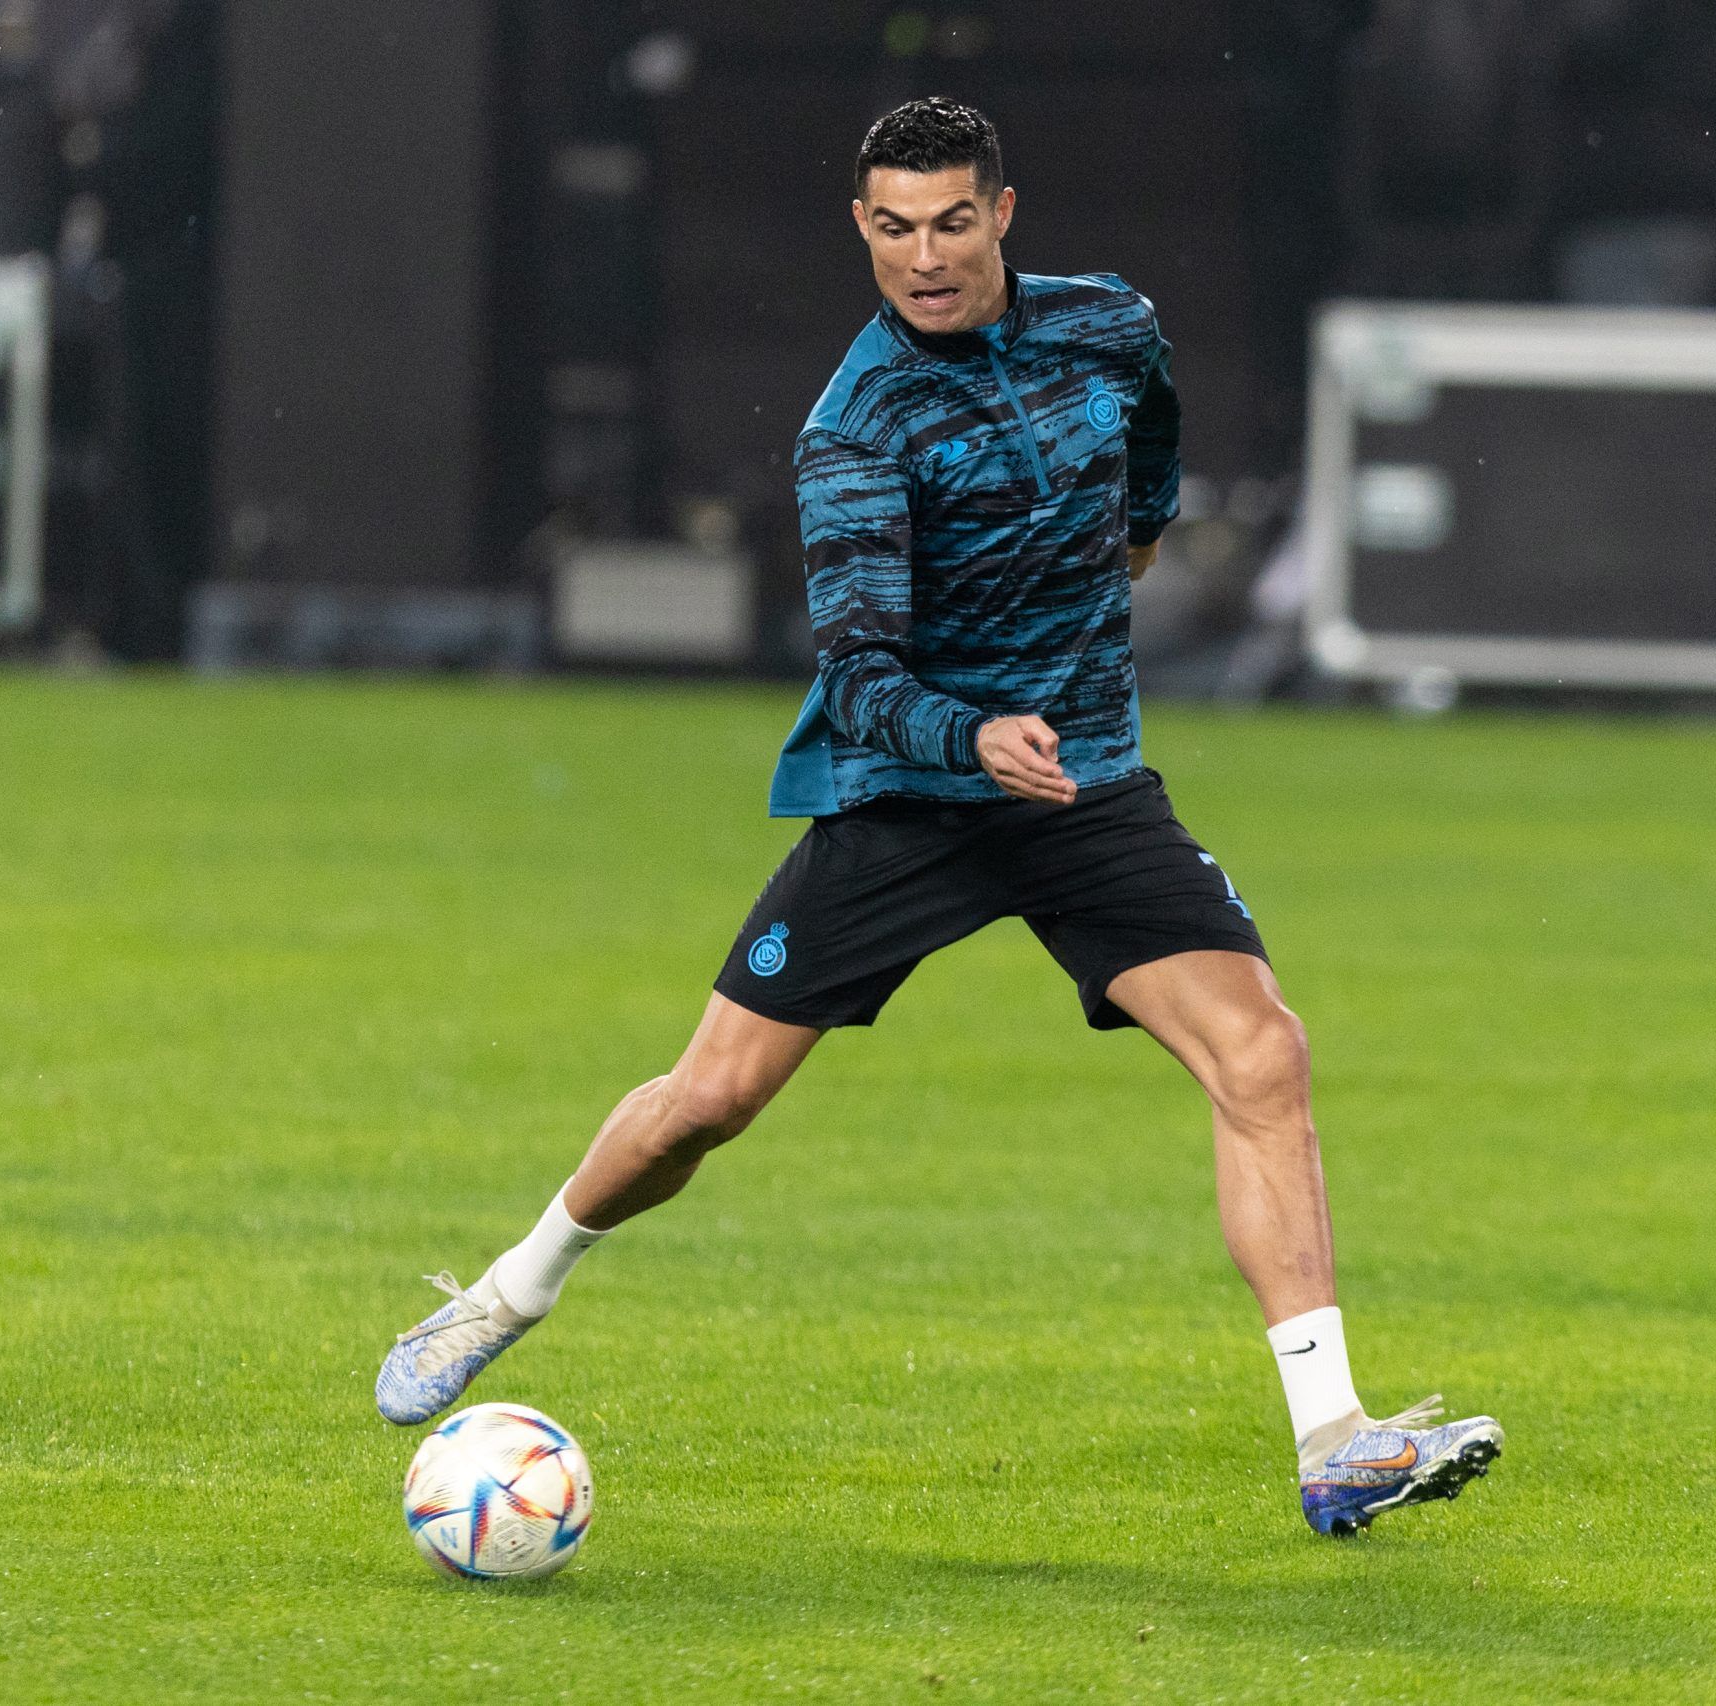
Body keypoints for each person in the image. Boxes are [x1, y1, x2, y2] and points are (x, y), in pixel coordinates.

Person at [375, 96, 1500, 1536]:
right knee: (708, 1101)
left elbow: (1151, 423)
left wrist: (1139, 527)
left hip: (1083, 784)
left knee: (1262, 1050)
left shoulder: (1105, 322)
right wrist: (973, 732)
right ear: (862, 228)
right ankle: (509, 1287)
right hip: (911, 798)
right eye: (894, 228)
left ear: (1003, 215)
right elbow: (856, 674)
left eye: (952, 221)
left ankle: (1334, 1437)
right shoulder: (855, 429)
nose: (924, 256)